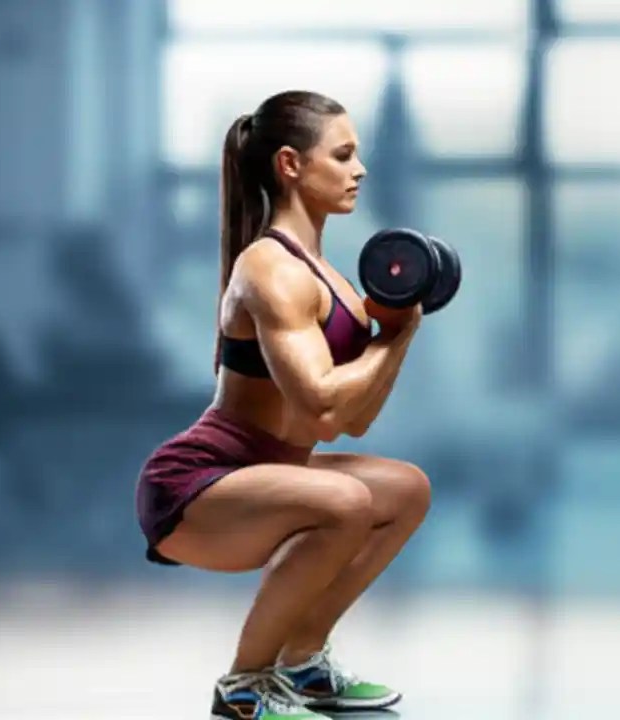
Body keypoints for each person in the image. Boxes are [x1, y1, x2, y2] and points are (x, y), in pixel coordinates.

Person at [135, 90, 430, 720]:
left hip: (269, 474)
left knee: (405, 489)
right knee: (348, 502)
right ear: (291, 165)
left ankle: (302, 662)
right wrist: (395, 338)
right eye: (344, 155)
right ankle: (244, 687)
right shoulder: (272, 269)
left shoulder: (333, 279)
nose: (360, 170)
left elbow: (355, 419)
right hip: (198, 484)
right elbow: (322, 404)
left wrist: (393, 339)